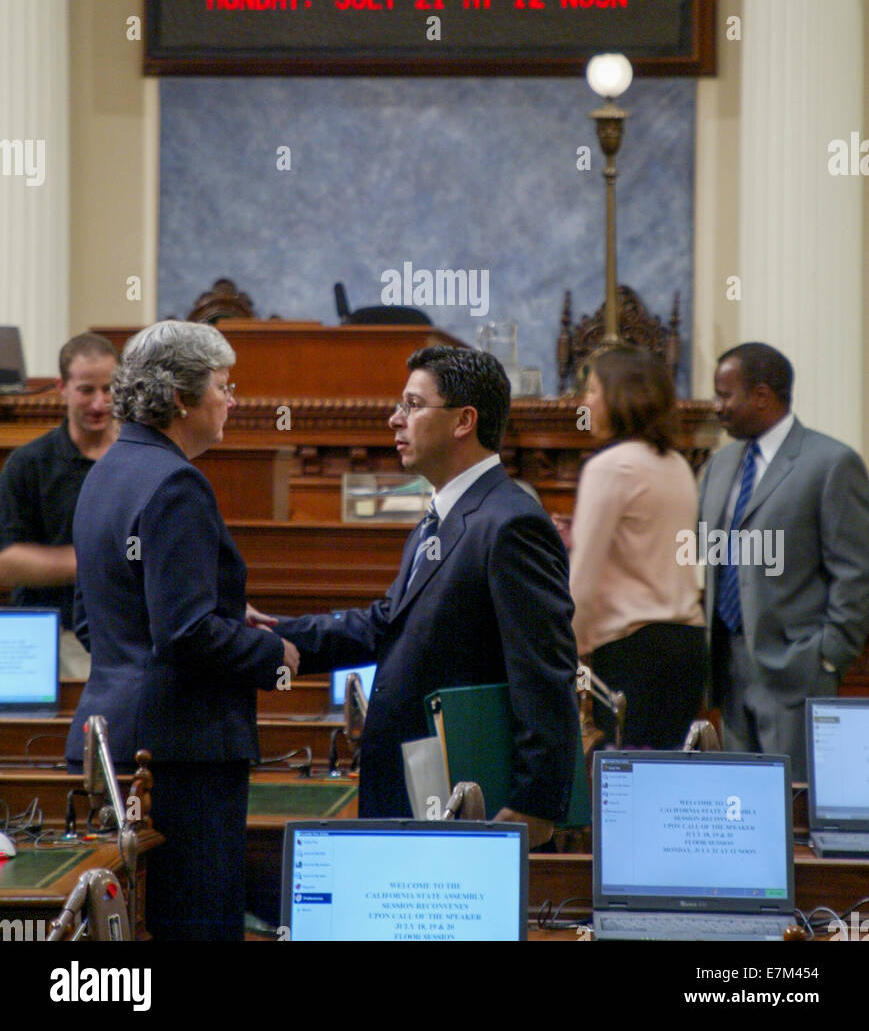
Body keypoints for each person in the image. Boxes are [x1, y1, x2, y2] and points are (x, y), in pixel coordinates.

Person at [278, 346, 578, 847]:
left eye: (413, 405)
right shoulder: (438, 519)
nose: (395, 419)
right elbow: (388, 623)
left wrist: (535, 802)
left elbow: (544, 671)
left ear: (464, 420)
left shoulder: (511, 523)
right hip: (415, 787)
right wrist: (276, 635)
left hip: (468, 795)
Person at [65, 320, 298, 941]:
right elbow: (186, 635)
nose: (233, 399)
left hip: (114, 741)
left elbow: (97, 615)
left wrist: (218, 616)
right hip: (179, 755)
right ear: (180, 398)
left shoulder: (107, 471)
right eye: (223, 385)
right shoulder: (176, 483)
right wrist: (271, 650)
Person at [700, 341, 869, 781]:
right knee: (743, 811)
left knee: (796, 814)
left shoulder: (831, 463)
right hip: (728, 671)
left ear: (761, 395)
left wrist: (828, 658)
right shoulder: (720, 465)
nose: (716, 406)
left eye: (725, 395)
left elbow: (855, 572)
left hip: (797, 672)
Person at [565, 344, 705, 748]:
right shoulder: (676, 463)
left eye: (593, 391)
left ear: (619, 397)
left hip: (634, 650)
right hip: (687, 645)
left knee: (629, 784)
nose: (584, 402)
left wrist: (565, 655)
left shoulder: (609, 466)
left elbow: (583, 578)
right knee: (666, 779)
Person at [0, 332, 118, 678]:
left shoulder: (140, 457)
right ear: (61, 387)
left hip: (124, 635)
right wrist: (100, 563)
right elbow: (5, 563)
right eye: (86, 390)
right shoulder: (29, 463)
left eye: (109, 389)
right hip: (50, 635)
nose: (99, 404)